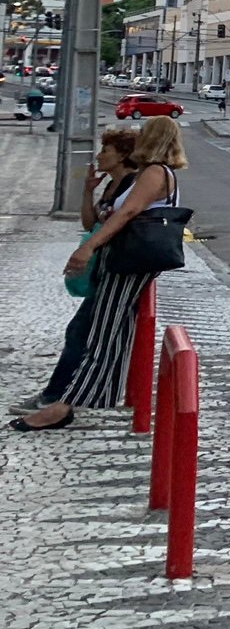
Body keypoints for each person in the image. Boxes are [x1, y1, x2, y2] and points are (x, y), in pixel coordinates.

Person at [10, 115, 186, 432]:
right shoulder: (153, 172)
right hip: (125, 261)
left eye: (145, 133)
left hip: (129, 263)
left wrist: (88, 247)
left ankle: (62, 406)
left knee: (101, 334)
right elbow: (106, 216)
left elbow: (129, 213)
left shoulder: (155, 173)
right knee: (109, 332)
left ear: (155, 138)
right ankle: (87, 396)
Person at [12, 128, 141, 416]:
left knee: (80, 333)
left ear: (121, 155)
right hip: (103, 271)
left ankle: (58, 396)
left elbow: (121, 224)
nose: (99, 155)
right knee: (82, 333)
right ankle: (66, 395)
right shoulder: (112, 187)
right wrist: (88, 190)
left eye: (105, 150)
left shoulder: (131, 188)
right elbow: (90, 223)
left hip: (117, 270)